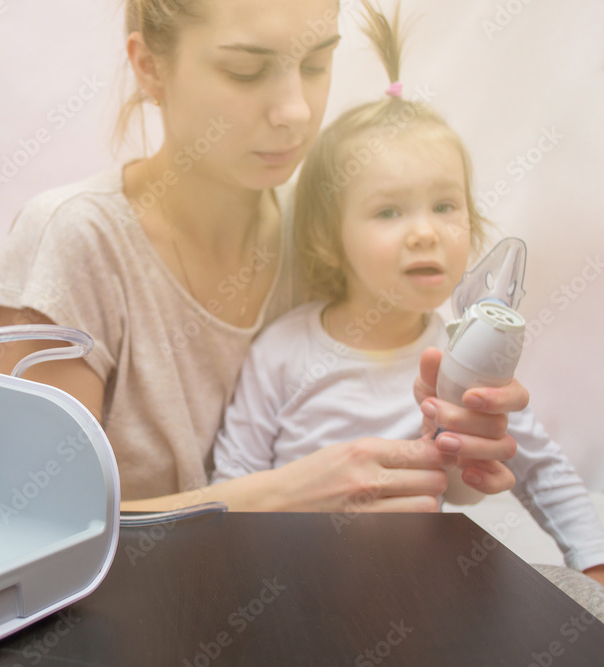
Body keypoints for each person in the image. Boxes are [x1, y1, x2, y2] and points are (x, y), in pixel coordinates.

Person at [0, 0, 526, 512]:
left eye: (315, 65)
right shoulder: (73, 241)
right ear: (149, 66)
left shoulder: (329, 233)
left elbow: (416, 454)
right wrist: (285, 497)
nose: (294, 111)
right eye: (246, 70)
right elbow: (38, 527)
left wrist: (462, 440)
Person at [210, 2, 604, 586]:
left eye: (446, 206)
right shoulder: (282, 351)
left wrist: (592, 563)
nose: (425, 231)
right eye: (389, 210)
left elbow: (545, 471)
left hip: (416, 593)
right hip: (289, 588)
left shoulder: (464, 369)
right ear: (328, 236)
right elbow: (232, 490)